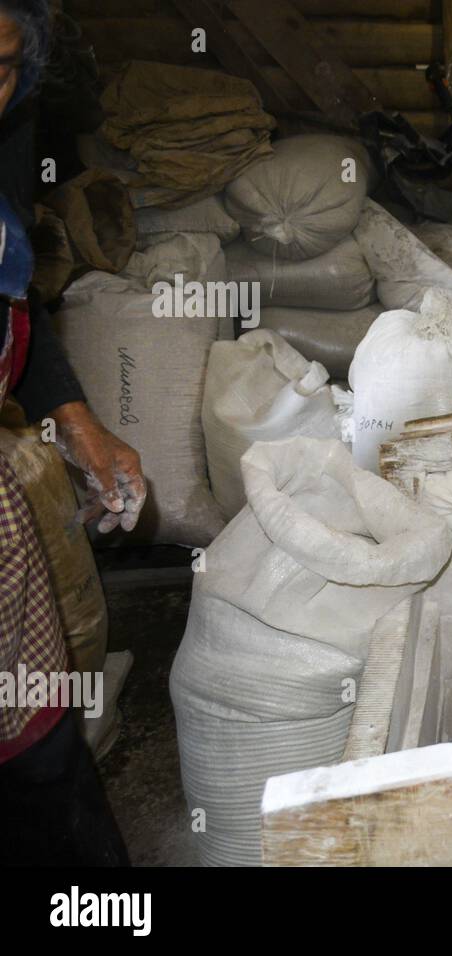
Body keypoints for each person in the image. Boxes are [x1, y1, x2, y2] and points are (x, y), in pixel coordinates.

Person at [0, 0, 146, 866]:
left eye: (5, 63)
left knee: (44, 763)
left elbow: (15, 305)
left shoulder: (11, 131)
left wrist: (76, 419)